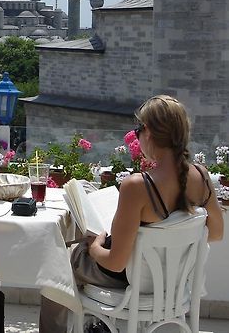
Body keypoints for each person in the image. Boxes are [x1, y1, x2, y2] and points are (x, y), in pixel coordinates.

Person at [40, 94, 224, 332]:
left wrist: (95, 246)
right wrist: (170, 240)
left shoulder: (138, 186)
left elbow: (116, 263)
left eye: (138, 129)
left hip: (128, 281)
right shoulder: (201, 176)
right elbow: (216, 233)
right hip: (173, 285)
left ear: (149, 133)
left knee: (57, 259)